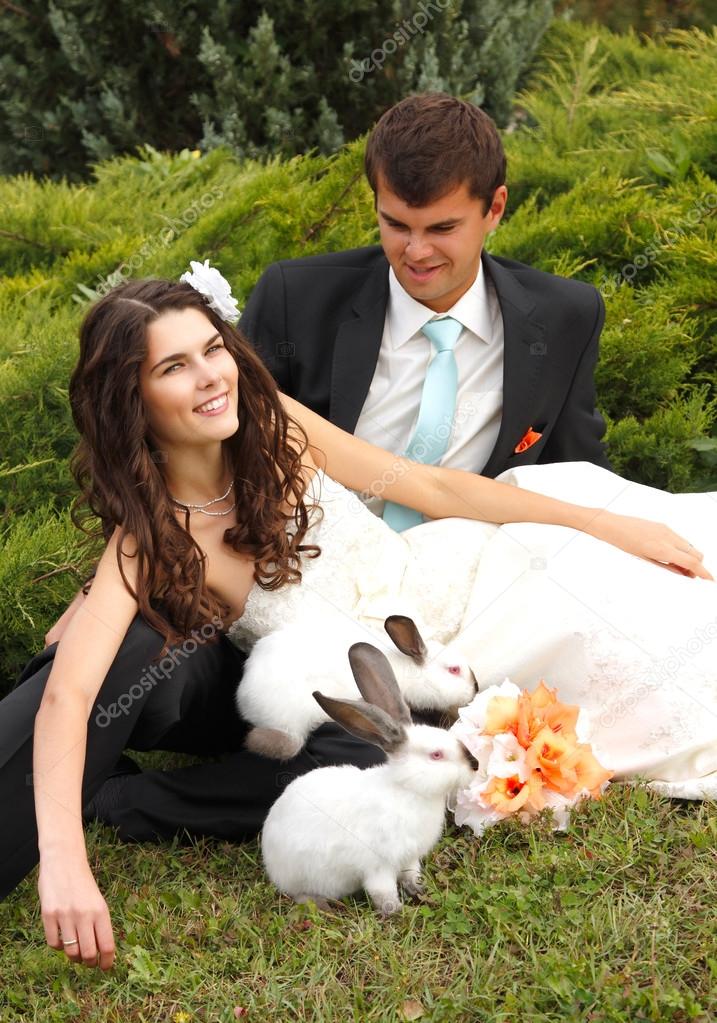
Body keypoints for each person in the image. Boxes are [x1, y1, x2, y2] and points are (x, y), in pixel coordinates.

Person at [1, 269, 715, 972]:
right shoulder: (153, 539)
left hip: (449, 588)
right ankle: (122, 801)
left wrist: (606, 523)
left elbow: (427, 485)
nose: (212, 375)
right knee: (372, 756)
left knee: (623, 594)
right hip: (378, 685)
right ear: (133, 399)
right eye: (175, 366)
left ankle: (129, 797)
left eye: (213, 347)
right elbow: (69, 692)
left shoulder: (271, 422)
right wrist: (61, 863)